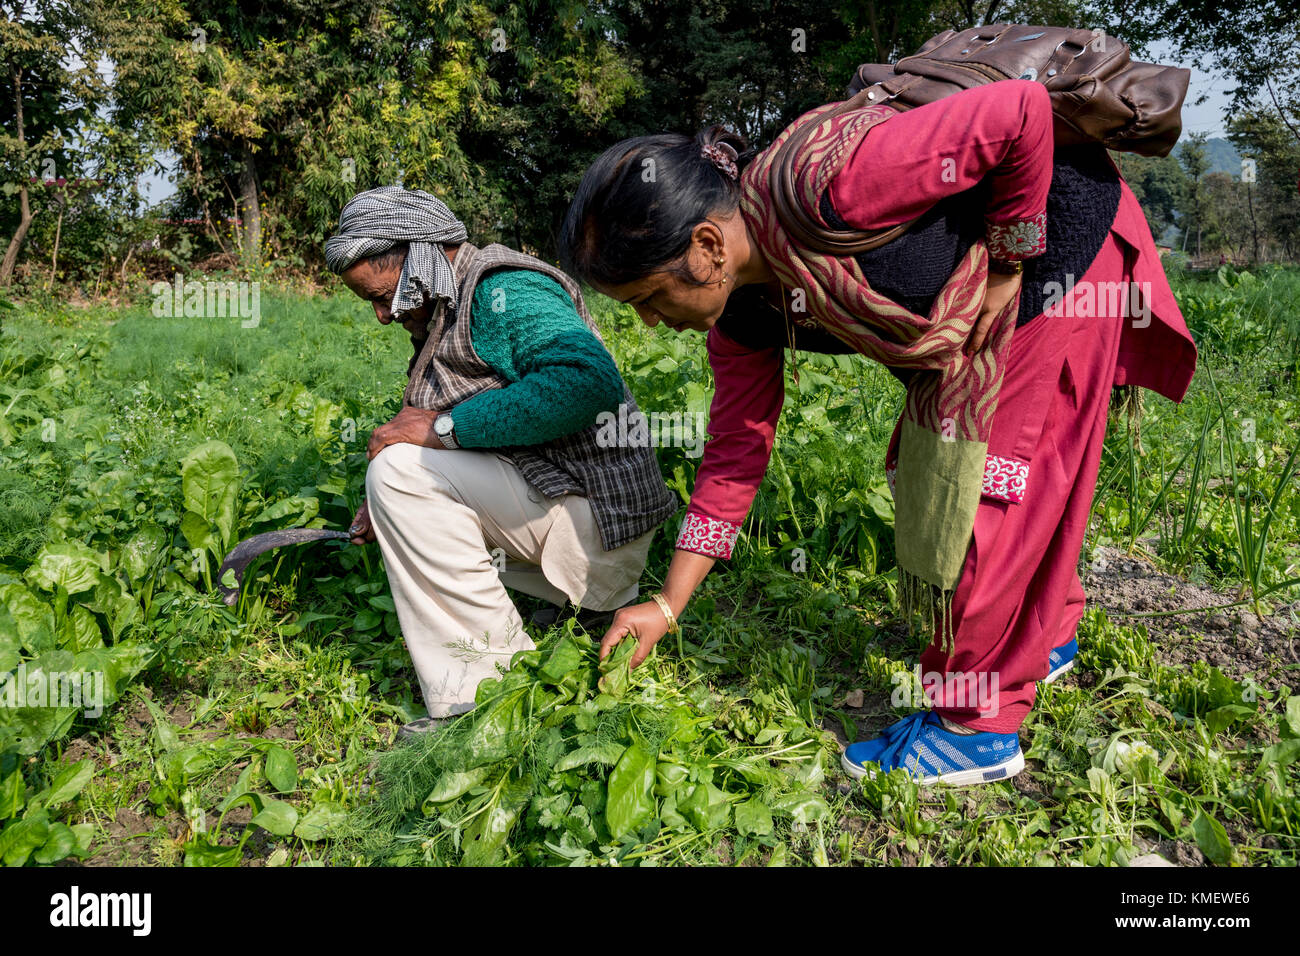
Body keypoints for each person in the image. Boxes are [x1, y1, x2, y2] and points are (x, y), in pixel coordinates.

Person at [558, 80, 1197, 786]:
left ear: (707, 245)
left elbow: (1021, 112)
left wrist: (1011, 259)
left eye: (650, 298)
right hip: (971, 317)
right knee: (925, 474)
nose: (650, 321)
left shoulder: (829, 186)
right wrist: (668, 605)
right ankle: (1043, 634)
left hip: (1055, 257)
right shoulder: (743, 313)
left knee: (987, 491)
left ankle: (976, 729)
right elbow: (735, 458)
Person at [325, 186, 677, 737]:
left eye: (383, 295)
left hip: (601, 527)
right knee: (396, 474)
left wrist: (441, 434)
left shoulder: (502, 290)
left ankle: (485, 698)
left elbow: (588, 383)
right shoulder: (446, 307)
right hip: (575, 517)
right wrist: (393, 494)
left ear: (419, 259)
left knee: (397, 476)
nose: (380, 316)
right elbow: (431, 412)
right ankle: (575, 612)